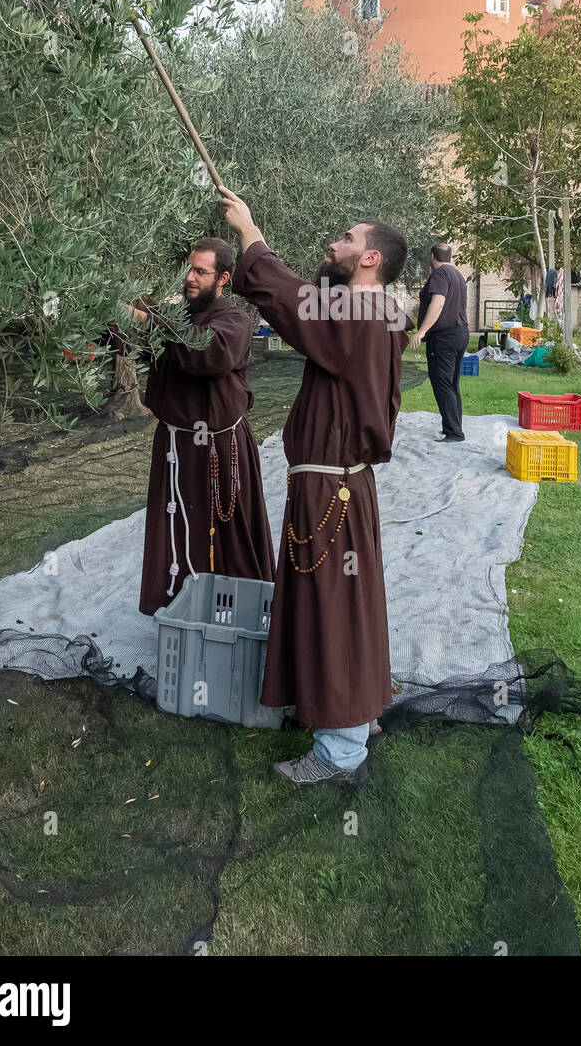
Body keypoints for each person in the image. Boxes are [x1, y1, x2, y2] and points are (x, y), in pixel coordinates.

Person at [221, 186, 411, 788]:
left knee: (335, 610)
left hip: (333, 493)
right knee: (340, 607)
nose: (337, 242)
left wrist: (250, 234)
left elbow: (296, 305)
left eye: (350, 238)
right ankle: (355, 713)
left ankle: (342, 749)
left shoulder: (365, 314)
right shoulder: (372, 315)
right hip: (335, 487)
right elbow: (312, 306)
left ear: (372, 258)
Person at [128, 238, 275, 617]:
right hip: (176, 446)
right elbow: (131, 339)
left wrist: (148, 320)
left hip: (220, 449)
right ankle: (180, 605)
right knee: (177, 526)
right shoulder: (178, 318)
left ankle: (239, 606)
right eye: (188, 269)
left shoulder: (234, 321)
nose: (190, 278)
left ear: (223, 277)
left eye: (200, 272)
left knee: (228, 530)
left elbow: (207, 353)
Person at [410, 242, 469, 443]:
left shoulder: (440, 275)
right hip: (460, 334)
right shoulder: (458, 276)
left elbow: (439, 302)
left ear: (432, 256)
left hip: (444, 338)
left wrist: (422, 331)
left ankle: (454, 432)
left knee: (442, 382)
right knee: (451, 383)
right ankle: (453, 428)